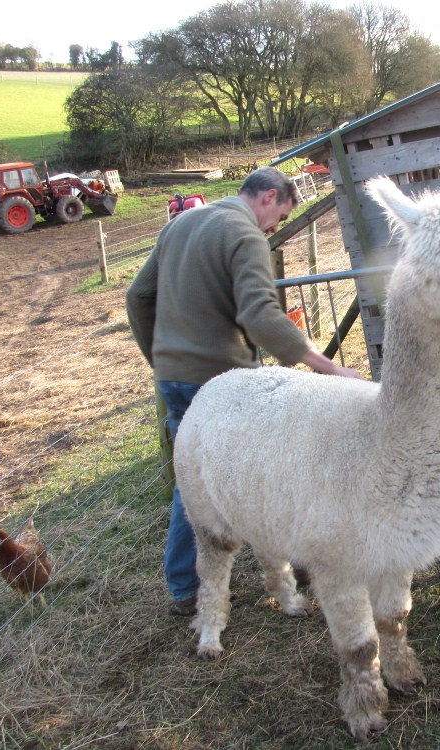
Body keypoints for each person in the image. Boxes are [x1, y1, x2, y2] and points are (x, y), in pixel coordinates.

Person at [126, 167, 361, 617]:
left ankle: (186, 588)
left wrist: (161, 358)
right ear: (269, 196)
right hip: (223, 383)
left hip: (174, 378)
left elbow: (138, 296)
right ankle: (302, 560)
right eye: (280, 217)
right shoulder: (244, 233)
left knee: (193, 480)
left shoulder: (181, 224)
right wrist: (328, 367)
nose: (273, 229)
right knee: (268, 470)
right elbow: (260, 315)